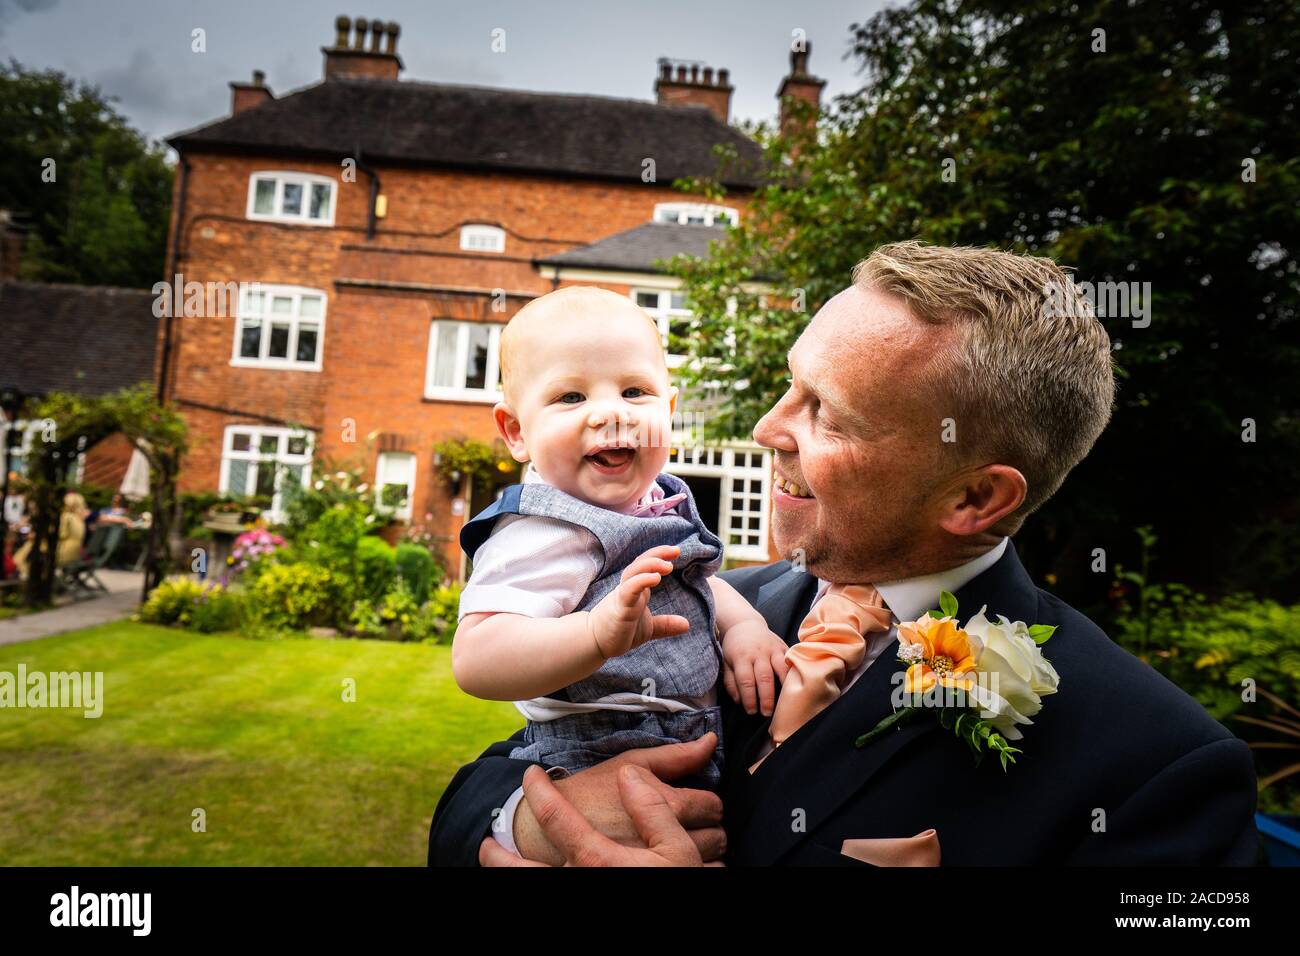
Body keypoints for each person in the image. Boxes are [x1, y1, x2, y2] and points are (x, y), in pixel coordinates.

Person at [429, 242, 1258, 866]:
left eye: (826, 414)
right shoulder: (707, 603)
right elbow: (481, 785)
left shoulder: (1158, 771)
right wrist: (533, 826)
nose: (767, 429)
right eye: (792, 385)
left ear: (975, 498)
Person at [452, 287, 789, 797]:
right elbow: (477, 660)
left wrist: (745, 627)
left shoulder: (655, 500)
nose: (611, 413)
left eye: (634, 392)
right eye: (571, 396)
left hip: (695, 745)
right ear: (517, 431)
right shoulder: (544, 529)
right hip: (593, 760)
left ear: (669, 410)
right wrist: (594, 635)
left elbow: (693, 579)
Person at [13, 491, 88, 579]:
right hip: (74, 552)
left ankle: (25, 573)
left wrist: (40, 535)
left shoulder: (67, 516)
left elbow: (60, 534)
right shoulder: (78, 518)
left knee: (31, 546)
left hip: (63, 552)